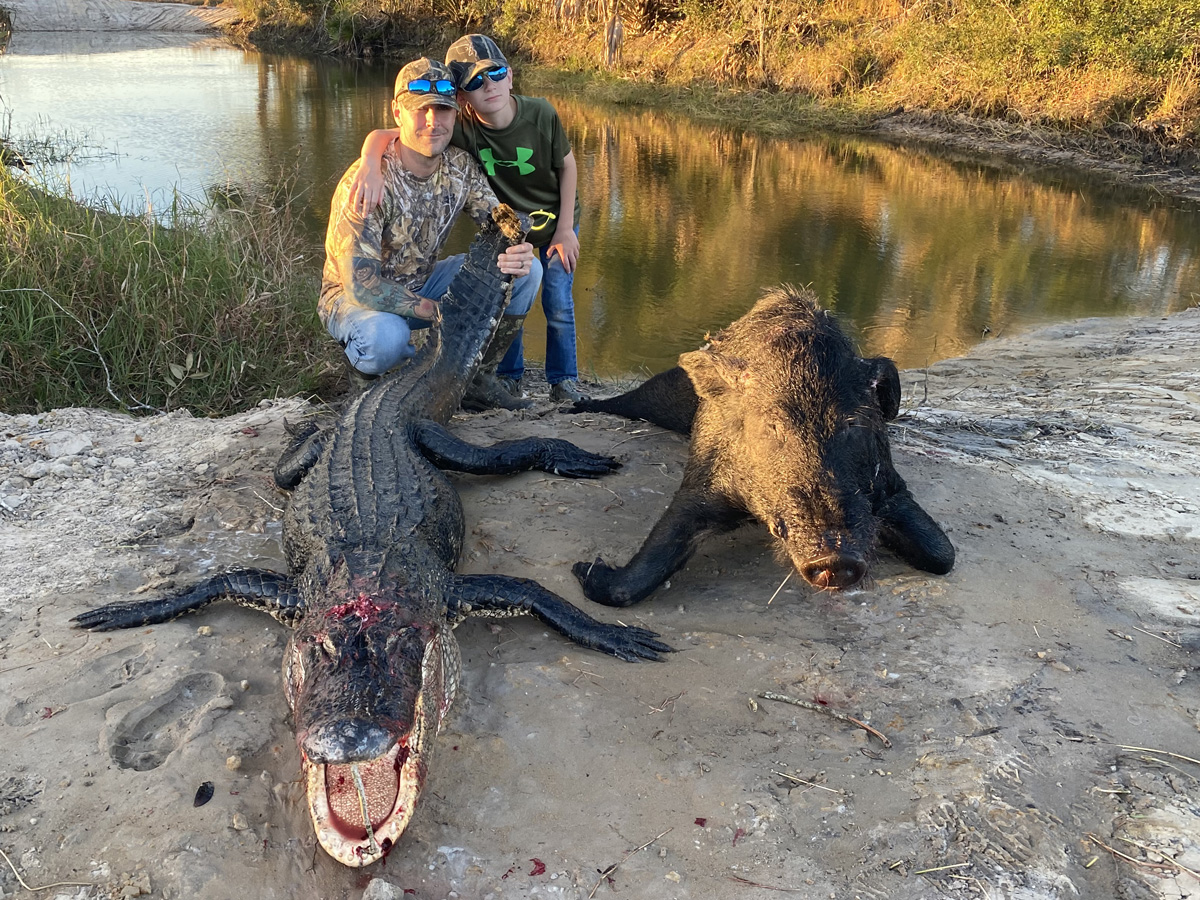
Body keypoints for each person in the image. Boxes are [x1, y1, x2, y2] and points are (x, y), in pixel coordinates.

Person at [349, 35, 589, 404]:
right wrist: (369, 159)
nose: (487, 85)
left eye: (494, 74)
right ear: (463, 99)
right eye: (474, 82)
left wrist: (553, 235)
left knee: (548, 291)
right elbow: (399, 132)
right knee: (508, 279)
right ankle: (505, 376)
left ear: (510, 75)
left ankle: (558, 381)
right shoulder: (453, 128)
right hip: (503, 230)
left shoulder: (537, 114)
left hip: (555, 222)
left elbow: (565, 166)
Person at [321, 57, 542, 410]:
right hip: (352, 299)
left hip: (424, 280)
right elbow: (361, 284)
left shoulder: (460, 166)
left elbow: (498, 217)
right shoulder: (367, 180)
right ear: (397, 112)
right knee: (385, 338)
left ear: (455, 113)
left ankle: (478, 376)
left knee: (528, 272)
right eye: (420, 110)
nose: (432, 121)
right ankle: (362, 384)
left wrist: (517, 244)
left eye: (442, 110)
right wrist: (443, 312)